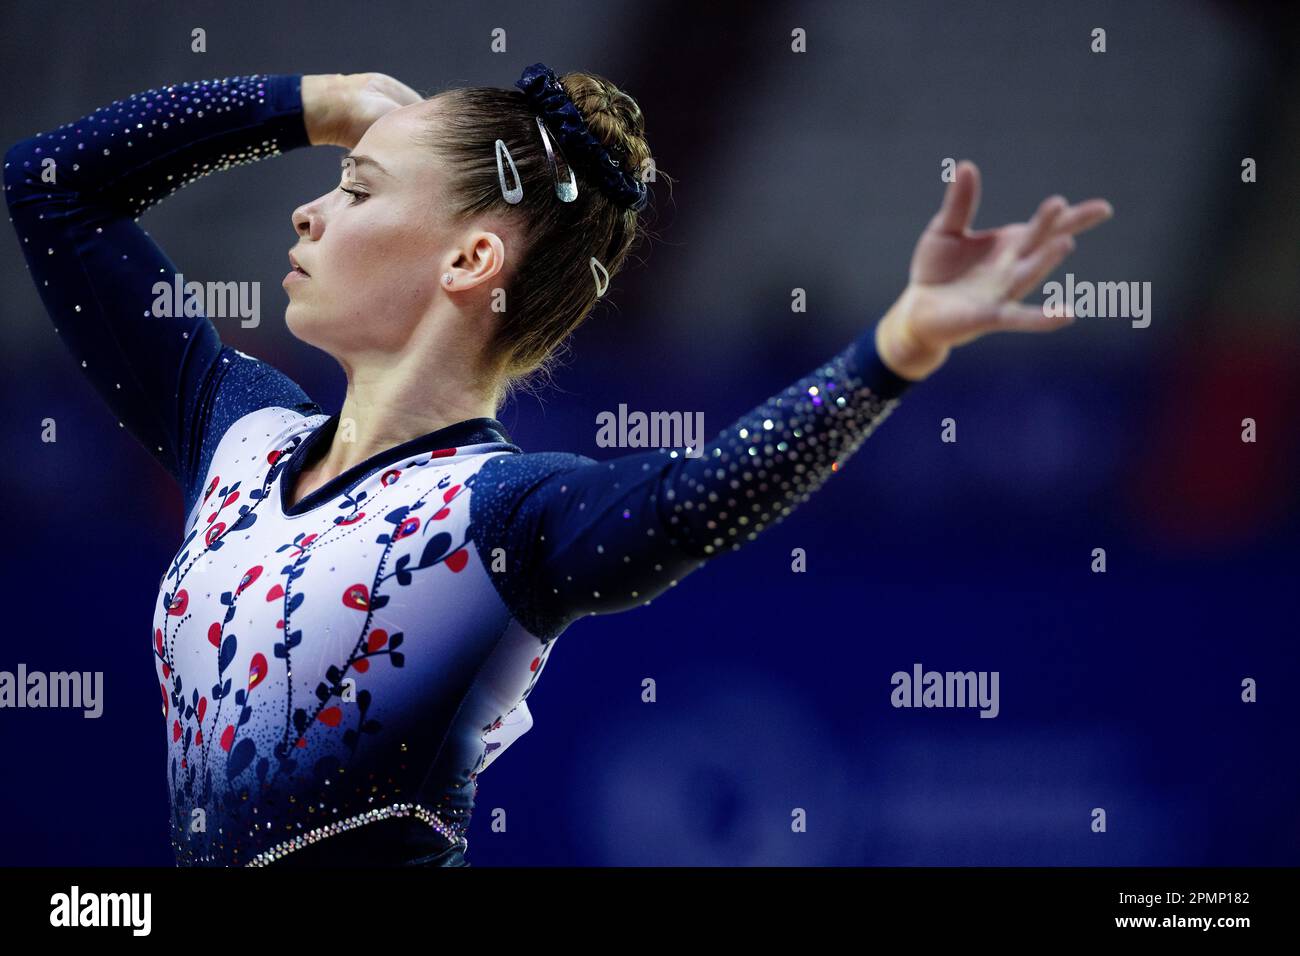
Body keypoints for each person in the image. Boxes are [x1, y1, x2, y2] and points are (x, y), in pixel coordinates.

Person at [3, 64, 1111, 866]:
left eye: (354, 188)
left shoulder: (494, 512)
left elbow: (696, 499)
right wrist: (317, 101)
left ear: (471, 257)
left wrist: (897, 347)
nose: (308, 205)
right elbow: (47, 185)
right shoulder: (240, 434)